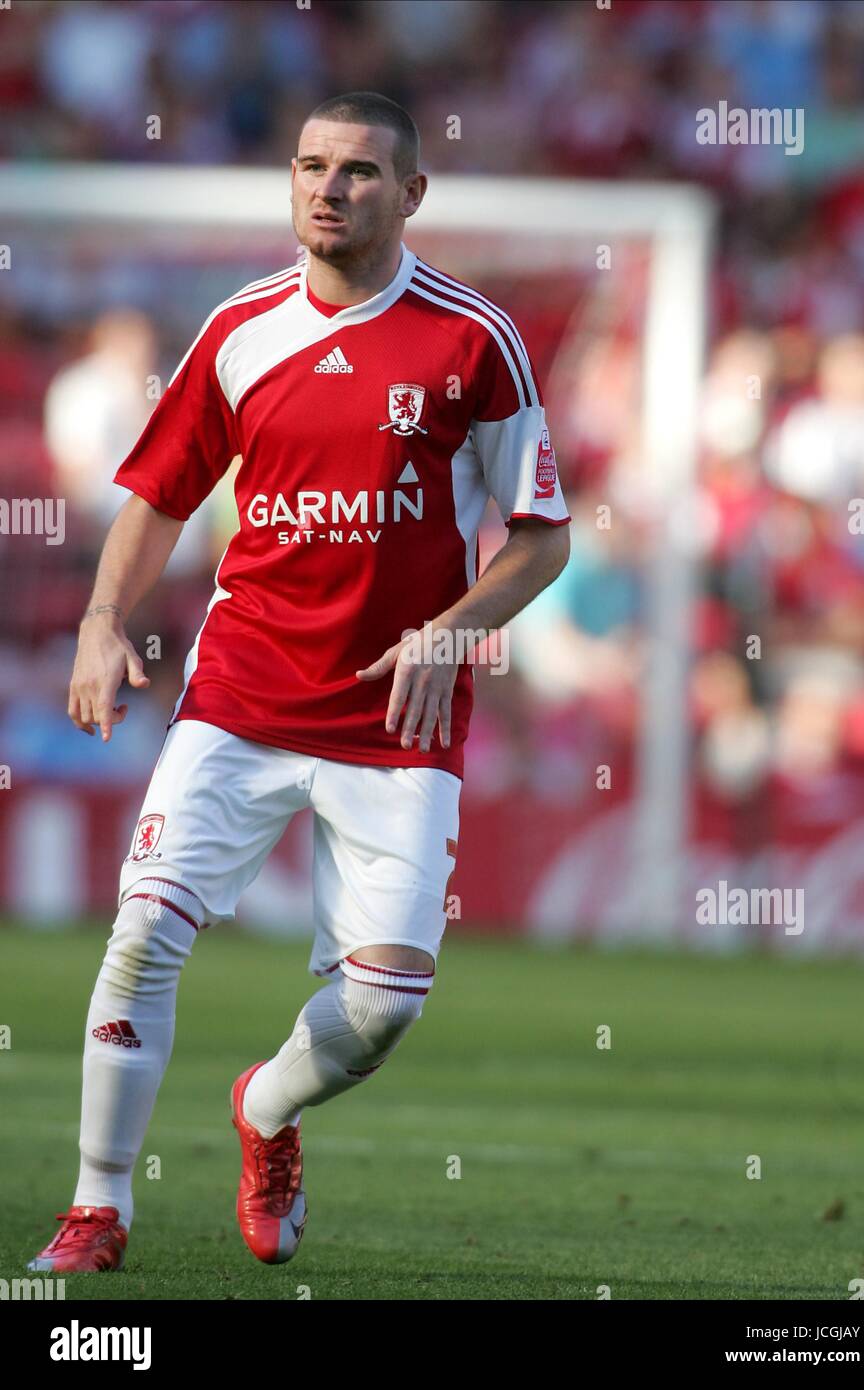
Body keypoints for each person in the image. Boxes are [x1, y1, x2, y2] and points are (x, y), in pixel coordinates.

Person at [29, 91, 570, 1272]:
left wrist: (450, 630)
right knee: (140, 936)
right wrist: (100, 621)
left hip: (398, 714)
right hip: (243, 687)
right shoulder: (237, 331)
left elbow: (541, 537)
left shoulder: (472, 341)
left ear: (412, 194)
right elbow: (162, 493)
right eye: (312, 167)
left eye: (361, 172)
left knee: (381, 1011)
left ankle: (266, 1109)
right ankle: (98, 1204)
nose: (329, 189)